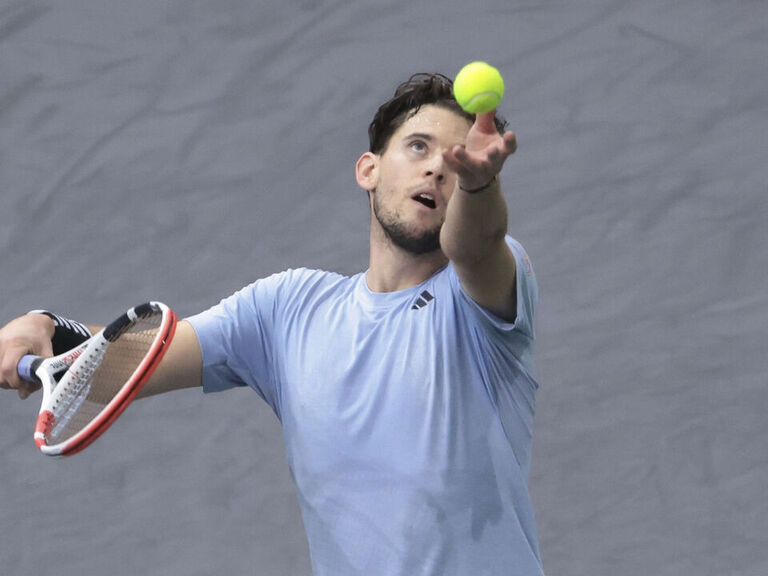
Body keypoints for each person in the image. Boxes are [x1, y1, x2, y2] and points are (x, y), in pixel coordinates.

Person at [0, 72, 543, 575]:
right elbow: (133, 365)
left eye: (456, 161)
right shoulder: (285, 309)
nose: (437, 169)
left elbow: (475, 243)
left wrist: (477, 189)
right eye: (418, 147)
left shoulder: (483, 290)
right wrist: (48, 328)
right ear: (369, 170)